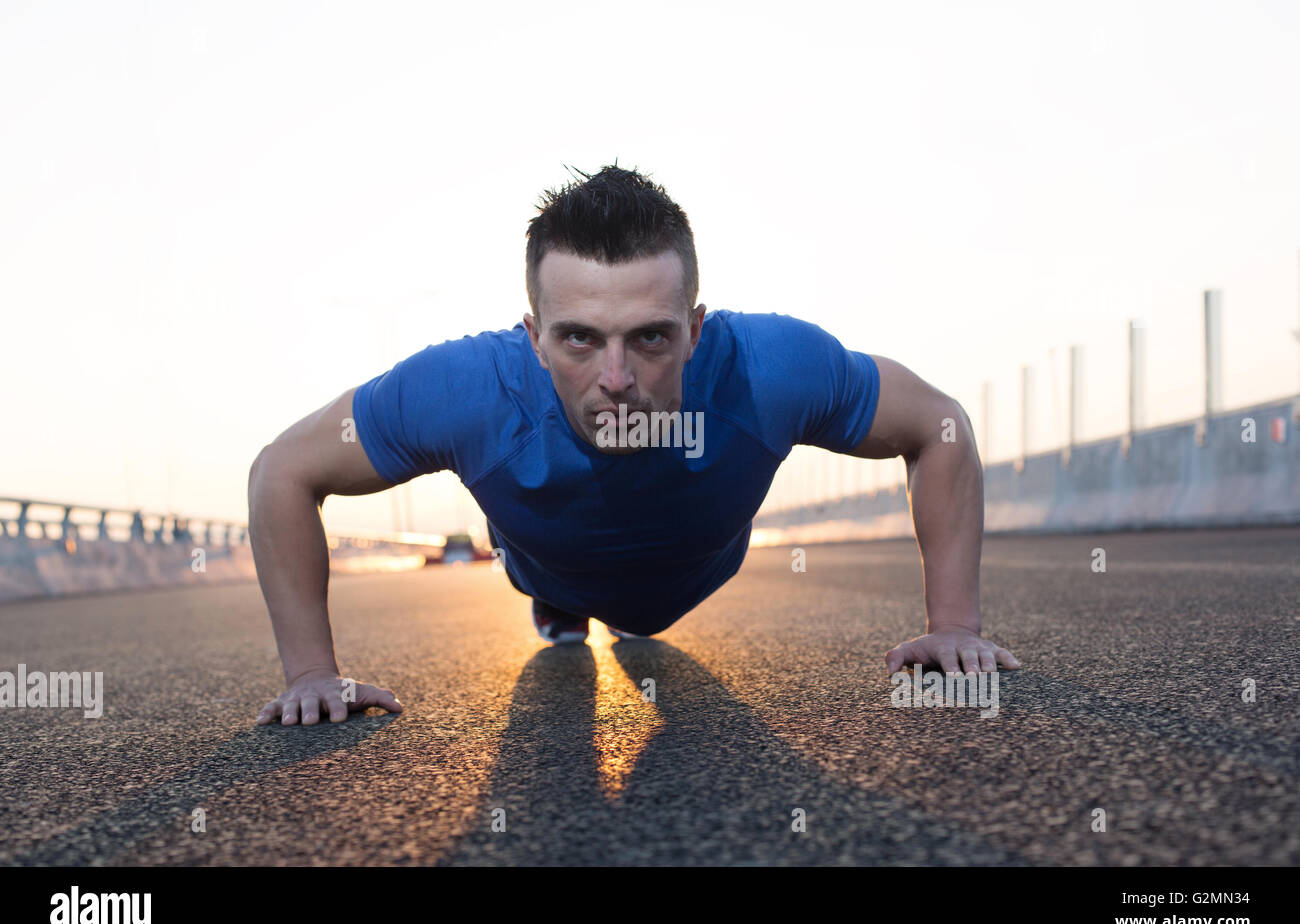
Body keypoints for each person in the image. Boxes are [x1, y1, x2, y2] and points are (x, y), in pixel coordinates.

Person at [249, 164, 1020, 727]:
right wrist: (313, 673)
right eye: (580, 339)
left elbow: (940, 424)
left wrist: (956, 625)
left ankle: (591, 603)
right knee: (545, 572)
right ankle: (558, 601)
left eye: (649, 338)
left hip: (688, 570)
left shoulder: (772, 370)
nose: (615, 379)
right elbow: (281, 471)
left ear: (694, 331)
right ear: (534, 338)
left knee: (640, 618)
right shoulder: (463, 390)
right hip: (545, 555)